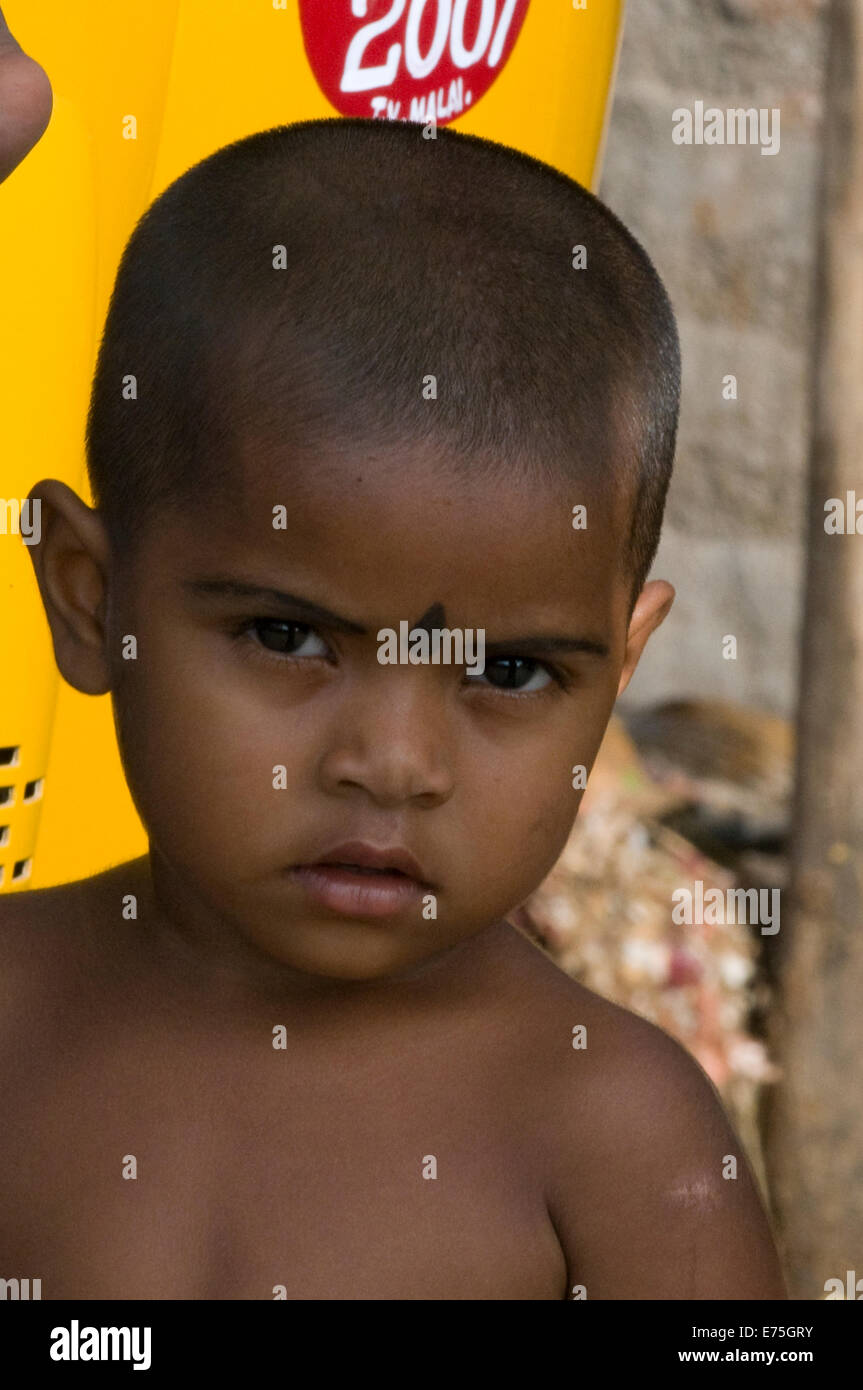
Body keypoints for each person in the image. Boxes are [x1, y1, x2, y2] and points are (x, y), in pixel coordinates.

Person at [0, 16, 786, 1298]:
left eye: (509, 672)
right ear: (90, 602)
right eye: (286, 636)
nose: (394, 762)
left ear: (621, 666)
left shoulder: (616, 1141)